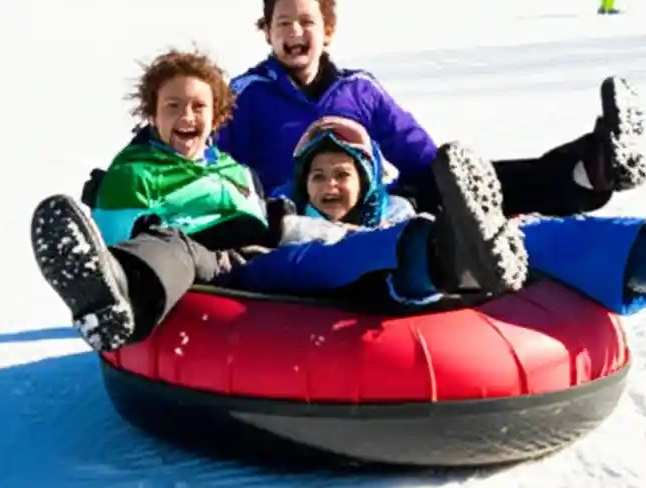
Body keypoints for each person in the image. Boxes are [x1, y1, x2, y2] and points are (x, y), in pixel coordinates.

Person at [29, 49, 534, 352]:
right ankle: (118, 300)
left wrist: (322, 230)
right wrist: (112, 265)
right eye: (173, 106)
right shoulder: (135, 169)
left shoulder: (232, 170)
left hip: (252, 255)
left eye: (198, 106)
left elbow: (274, 219)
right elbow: (115, 236)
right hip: (191, 255)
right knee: (172, 249)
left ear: (217, 115)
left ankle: (448, 257)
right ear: (153, 114)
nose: (187, 115)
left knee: (331, 254)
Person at [235, 115, 646, 314]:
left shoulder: (395, 206)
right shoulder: (283, 218)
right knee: (365, 247)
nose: (330, 185)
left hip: (408, 278)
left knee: (525, 236)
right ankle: (454, 255)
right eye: (318, 176)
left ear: (368, 179)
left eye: (342, 174)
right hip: (323, 285)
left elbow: (413, 152)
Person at [213, 0, 646, 217]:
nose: (294, 32)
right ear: (267, 32)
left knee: (457, 174)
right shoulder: (247, 95)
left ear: (328, 31)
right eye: (282, 23)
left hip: (370, 208)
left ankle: (590, 169)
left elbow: (418, 153)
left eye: (306, 22)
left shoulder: (359, 89)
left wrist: (450, 179)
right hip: (294, 216)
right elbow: (216, 169)